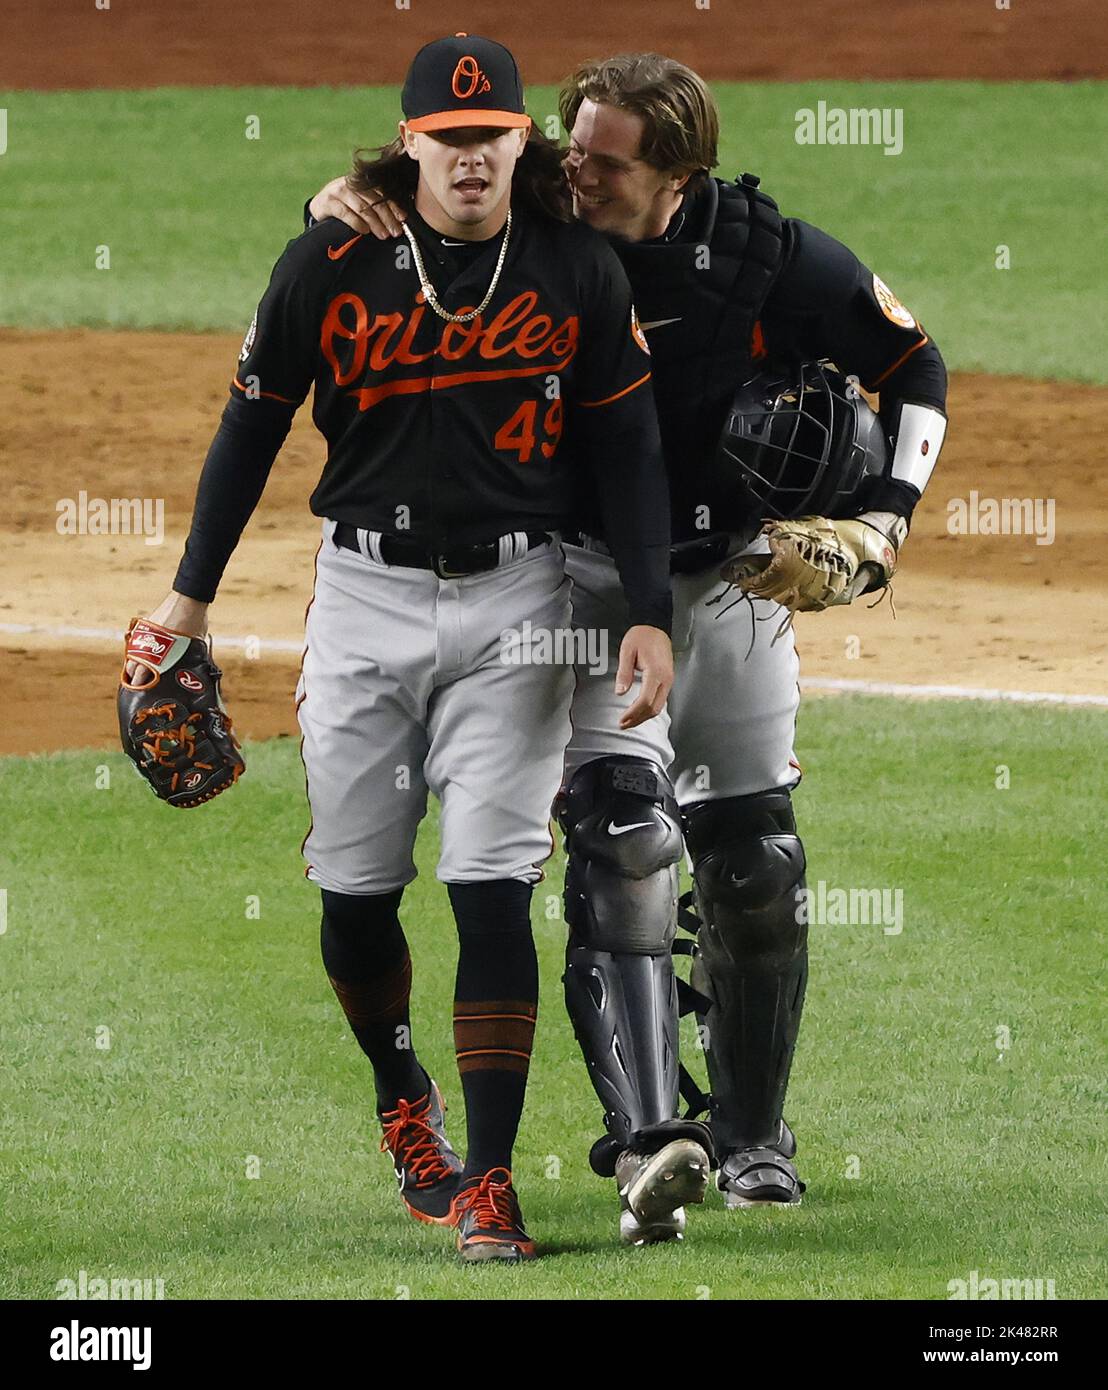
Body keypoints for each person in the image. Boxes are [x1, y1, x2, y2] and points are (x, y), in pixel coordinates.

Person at [307, 50, 949, 1247]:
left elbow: (914, 363)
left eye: (607, 161)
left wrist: (884, 520)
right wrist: (333, 204)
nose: (574, 171)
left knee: (755, 860)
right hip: (584, 576)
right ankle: (655, 1144)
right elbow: (405, 211)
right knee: (620, 835)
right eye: (573, 142)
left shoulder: (765, 255)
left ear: (678, 175)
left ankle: (756, 1138)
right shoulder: (538, 215)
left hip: (742, 575)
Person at [122, 35, 675, 1264]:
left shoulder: (574, 267)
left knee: (490, 880)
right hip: (363, 599)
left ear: (521, 140)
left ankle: (488, 1180)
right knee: (356, 891)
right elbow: (248, 432)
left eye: (490, 139)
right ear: (410, 138)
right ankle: (400, 1094)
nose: (469, 159)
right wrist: (188, 602)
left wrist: (648, 607)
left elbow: (630, 448)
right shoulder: (328, 261)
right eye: (446, 139)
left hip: (522, 599)